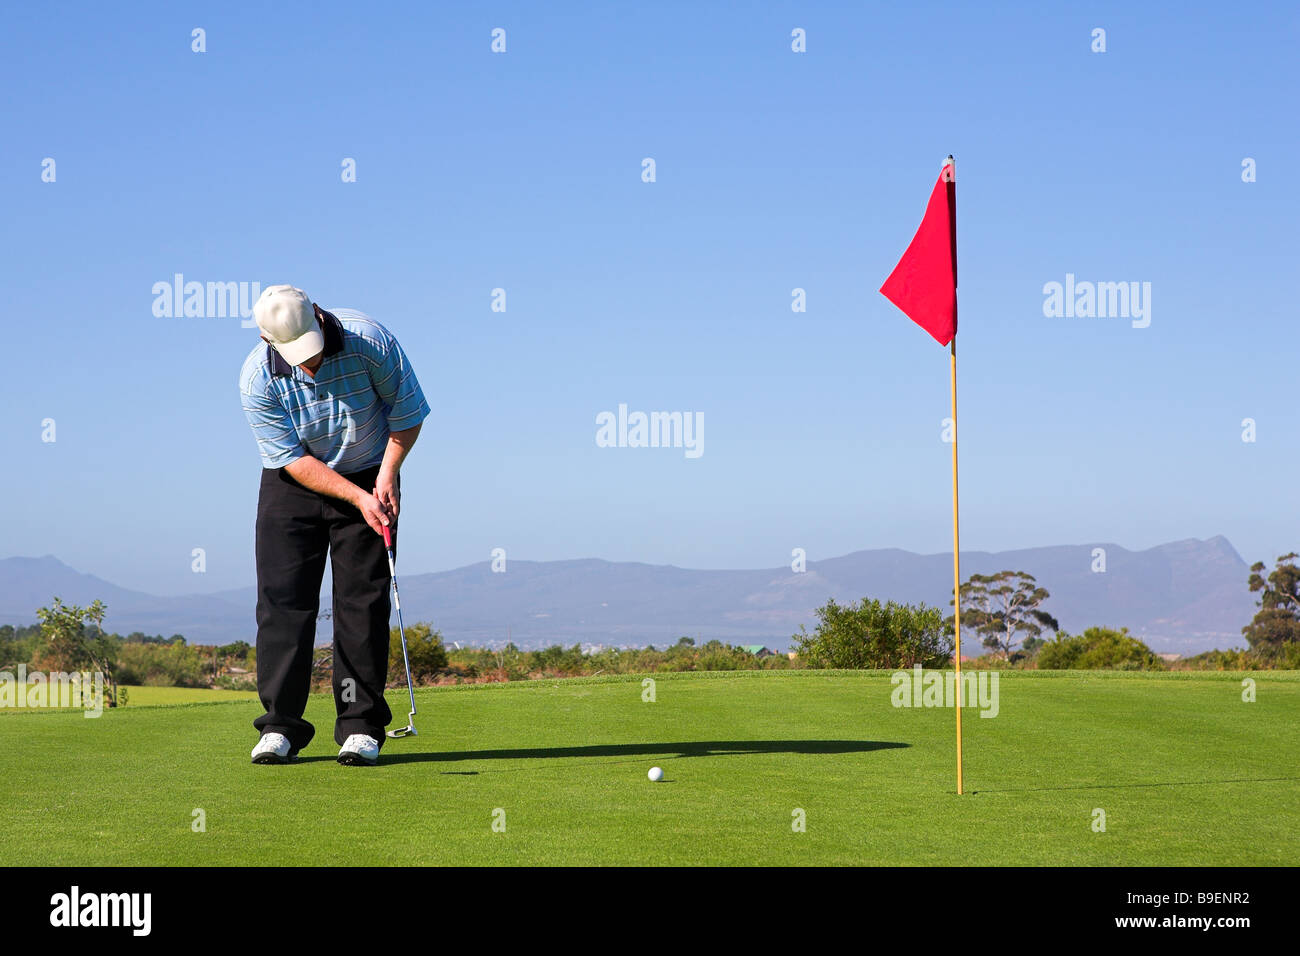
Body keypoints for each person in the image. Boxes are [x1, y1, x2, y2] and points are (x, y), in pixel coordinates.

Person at [239, 285, 429, 766]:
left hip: (370, 466)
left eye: (313, 347)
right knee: (282, 603)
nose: (311, 364)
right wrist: (355, 496)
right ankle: (280, 727)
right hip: (294, 482)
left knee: (361, 603)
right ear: (266, 338)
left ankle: (361, 726)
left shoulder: (371, 341)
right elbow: (294, 460)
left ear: (319, 316)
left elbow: (407, 413)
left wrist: (387, 475)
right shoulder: (256, 379)